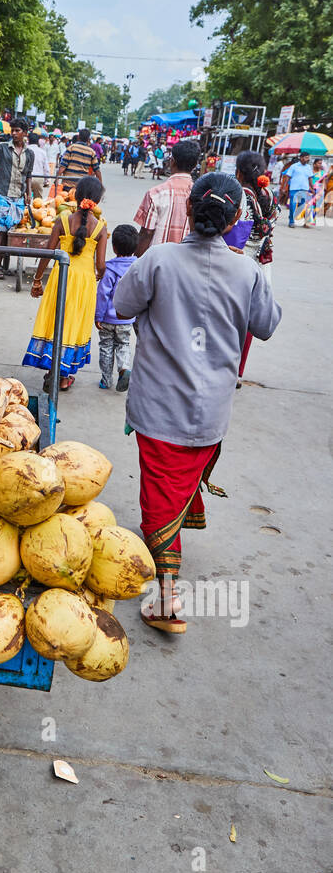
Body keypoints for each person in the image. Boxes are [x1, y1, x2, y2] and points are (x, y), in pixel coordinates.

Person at [113, 173, 281, 634]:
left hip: (159, 405)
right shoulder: (245, 270)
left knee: (161, 491)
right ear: (234, 220)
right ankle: (174, 527)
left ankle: (167, 600)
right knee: (175, 478)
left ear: (189, 211)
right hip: (210, 409)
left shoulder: (157, 260)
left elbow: (123, 306)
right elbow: (267, 325)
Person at [23, 176, 107, 391]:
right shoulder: (101, 227)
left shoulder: (62, 219)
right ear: (97, 200)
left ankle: (53, 368)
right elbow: (101, 265)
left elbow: (48, 253)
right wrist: (98, 276)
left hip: (62, 275)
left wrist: (37, 280)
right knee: (74, 323)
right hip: (84, 282)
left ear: (76, 196)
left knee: (57, 319)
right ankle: (63, 375)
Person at [233, 150, 277, 385]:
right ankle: (238, 371)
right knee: (248, 318)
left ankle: (227, 367)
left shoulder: (240, 195)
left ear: (239, 172)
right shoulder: (268, 195)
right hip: (261, 263)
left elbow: (233, 227)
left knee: (230, 316)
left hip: (239, 261)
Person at [134, 139, 198, 255]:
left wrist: (136, 261)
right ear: (194, 166)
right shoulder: (200, 195)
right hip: (188, 261)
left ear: (172, 161)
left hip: (158, 261)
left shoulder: (155, 193)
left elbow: (146, 233)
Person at [96, 223, 138, 392]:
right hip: (126, 317)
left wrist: (98, 316)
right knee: (123, 344)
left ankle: (106, 381)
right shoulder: (137, 266)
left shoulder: (109, 269)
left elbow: (102, 295)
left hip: (107, 318)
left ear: (114, 247)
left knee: (106, 346)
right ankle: (124, 369)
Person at [0, 117, 34, 277]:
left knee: (15, 231)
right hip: (4, 195)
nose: (14, 133)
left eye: (18, 131)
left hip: (19, 197)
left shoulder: (29, 154)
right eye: (13, 130)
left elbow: (28, 175)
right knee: (1, 230)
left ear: (24, 133)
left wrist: (28, 193)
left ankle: (7, 262)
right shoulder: (2, 148)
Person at [58, 128, 101, 193]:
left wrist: (56, 179)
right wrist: (100, 186)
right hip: (82, 186)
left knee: (65, 203)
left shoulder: (71, 148)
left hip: (67, 185)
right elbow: (97, 171)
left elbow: (63, 166)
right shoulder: (91, 152)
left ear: (78, 136)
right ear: (88, 139)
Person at [280, 153, 312, 226]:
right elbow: (288, 177)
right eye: (306, 158)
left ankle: (292, 215)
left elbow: (310, 178)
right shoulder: (294, 166)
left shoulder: (308, 167)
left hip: (304, 189)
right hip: (294, 188)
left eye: (308, 158)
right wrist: (284, 187)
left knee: (302, 205)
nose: (308, 159)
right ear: (301, 158)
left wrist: (312, 188)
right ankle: (291, 221)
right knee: (293, 204)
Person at [30, 132, 53, 202]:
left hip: (26, 177)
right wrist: (47, 180)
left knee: (25, 199)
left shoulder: (25, 150)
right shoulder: (42, 152)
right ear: (38, 141)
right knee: (38, 201)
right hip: (38, 178)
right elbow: (46, 168)